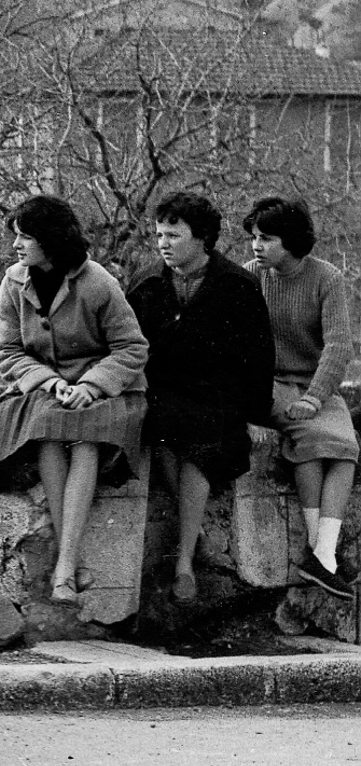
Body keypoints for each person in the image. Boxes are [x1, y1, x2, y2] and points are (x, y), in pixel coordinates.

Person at [0, 195, 149, 603]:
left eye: (25, 237)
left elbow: (131, 348)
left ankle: (64, 566)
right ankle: (70, 567)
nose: (16, 246)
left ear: (51, 240)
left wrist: (91, 386)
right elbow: (6, 350)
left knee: (88, 436)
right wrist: (48, 382)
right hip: (47, 387)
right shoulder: (13, 281)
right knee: (47, 430)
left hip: (105, 389)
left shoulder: (98, 283)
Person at [126, 192, 275, 603]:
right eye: (159, 234)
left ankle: (183, 564)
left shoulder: (238, 286)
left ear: (203, 238)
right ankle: (195, 541)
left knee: (200, 438)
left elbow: (259, 356)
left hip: (219, 397)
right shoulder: (146, 283)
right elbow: (127, 346)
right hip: (163, 393)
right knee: (161, 426)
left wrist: (257, 415)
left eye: (173, 234)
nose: (163, 243)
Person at [243, 196, 358, 600]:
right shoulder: (250, 277)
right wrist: (251, 404)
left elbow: (339, 345)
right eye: (254, 237)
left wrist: (314, 397)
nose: (257, 246)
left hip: (316, 386)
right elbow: (240, 346)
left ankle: (321, 555)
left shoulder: (326, 278)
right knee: (308, 441)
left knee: (345, 448)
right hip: (268, 383)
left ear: (291, 241)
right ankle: (324, 559)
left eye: (267, 238)